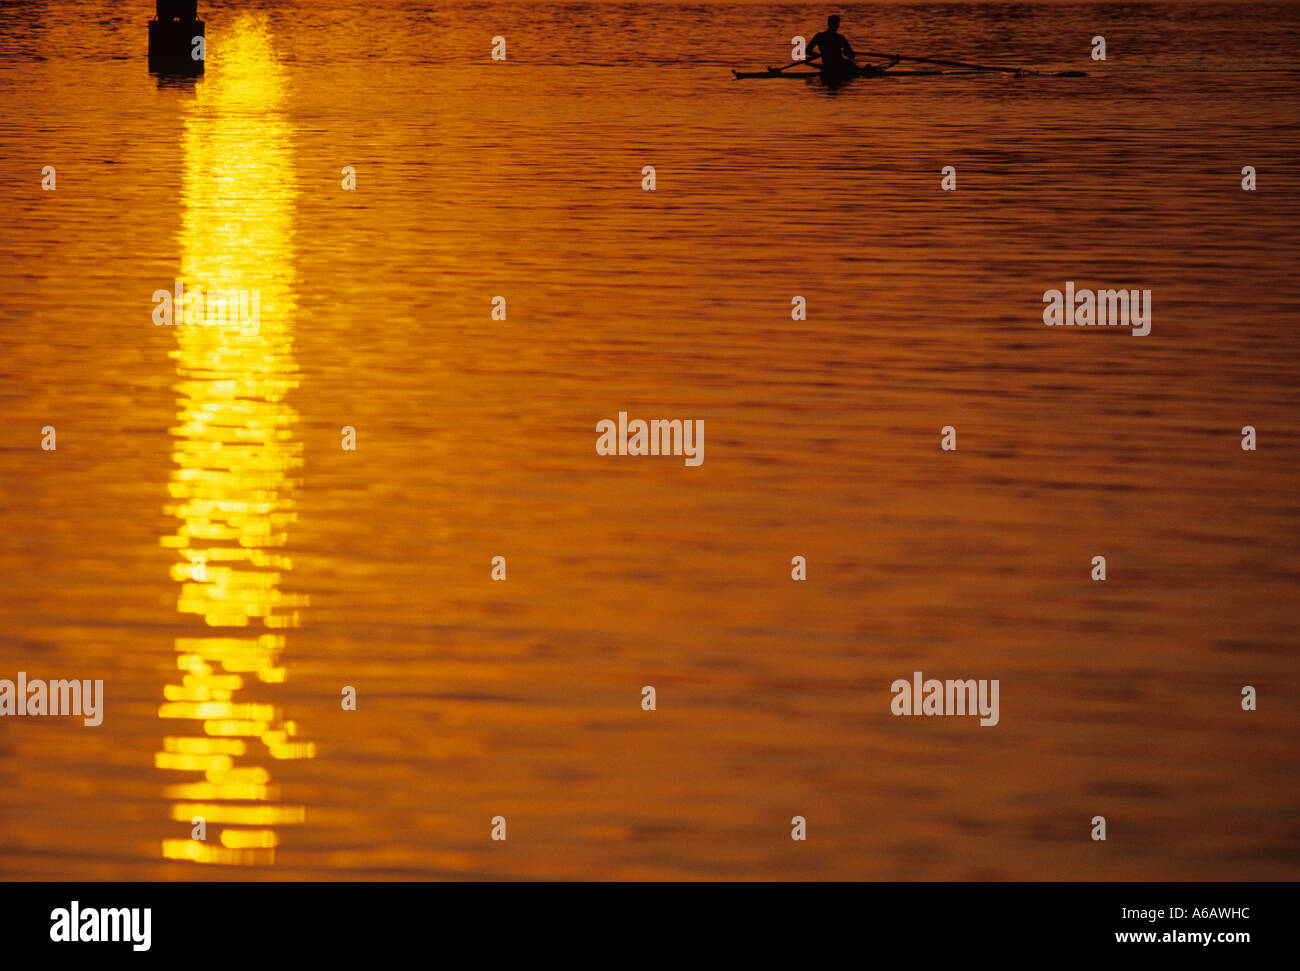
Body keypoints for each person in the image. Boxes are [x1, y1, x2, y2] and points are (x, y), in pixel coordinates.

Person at [807, 15, 858, 82]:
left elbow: (807, 50)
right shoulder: (840, 38)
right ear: (837, 25)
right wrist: (846, 52)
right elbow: (852, 56)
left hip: (826, 64)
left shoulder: (819, 36)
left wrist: (817, 56)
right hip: (840, 65)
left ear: (828, 24)